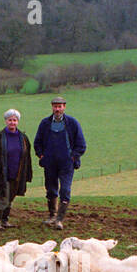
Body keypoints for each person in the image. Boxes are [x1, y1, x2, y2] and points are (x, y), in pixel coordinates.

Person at [33, 94, 87, 230]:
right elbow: (37, 142)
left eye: (60, 106)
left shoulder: (72, 123)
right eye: (55, 106)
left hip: (66, 164)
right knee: (51, 189)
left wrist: (73, 157)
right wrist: (41, 156)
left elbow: (81, 144)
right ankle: (52, 215)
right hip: (50, 163)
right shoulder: (45, 123)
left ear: (64, 107)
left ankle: (59, 219)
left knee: (65, 190)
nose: (57, 109)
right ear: (52, 107)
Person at [0, 108, 33, 231]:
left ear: (18, 122)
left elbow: (27, 157)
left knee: (10, 198)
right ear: (6, 121)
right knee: (2, 198)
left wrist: (27, 174)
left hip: (17, 174)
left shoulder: (23, 138)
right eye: (10, 120)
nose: (12, 122)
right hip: (2, 175)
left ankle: (5, 220)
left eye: (15, 120)